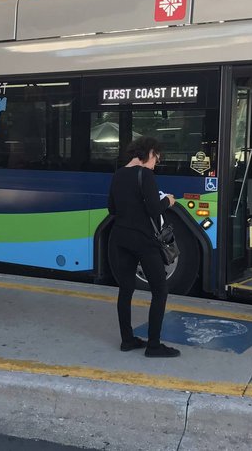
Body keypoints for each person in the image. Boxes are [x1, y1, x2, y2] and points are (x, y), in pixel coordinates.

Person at [107, 137, 179, 358]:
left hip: (120, 239)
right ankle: (154, 346)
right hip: (143, 242)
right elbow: (154, 209)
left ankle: (127, 340)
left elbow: (111, 209)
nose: (156, 162)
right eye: (156, 157)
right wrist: (168, 200)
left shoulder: (118, 174)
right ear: (148, 153)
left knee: (126, 289)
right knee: (159, 290)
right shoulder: (145, 175)